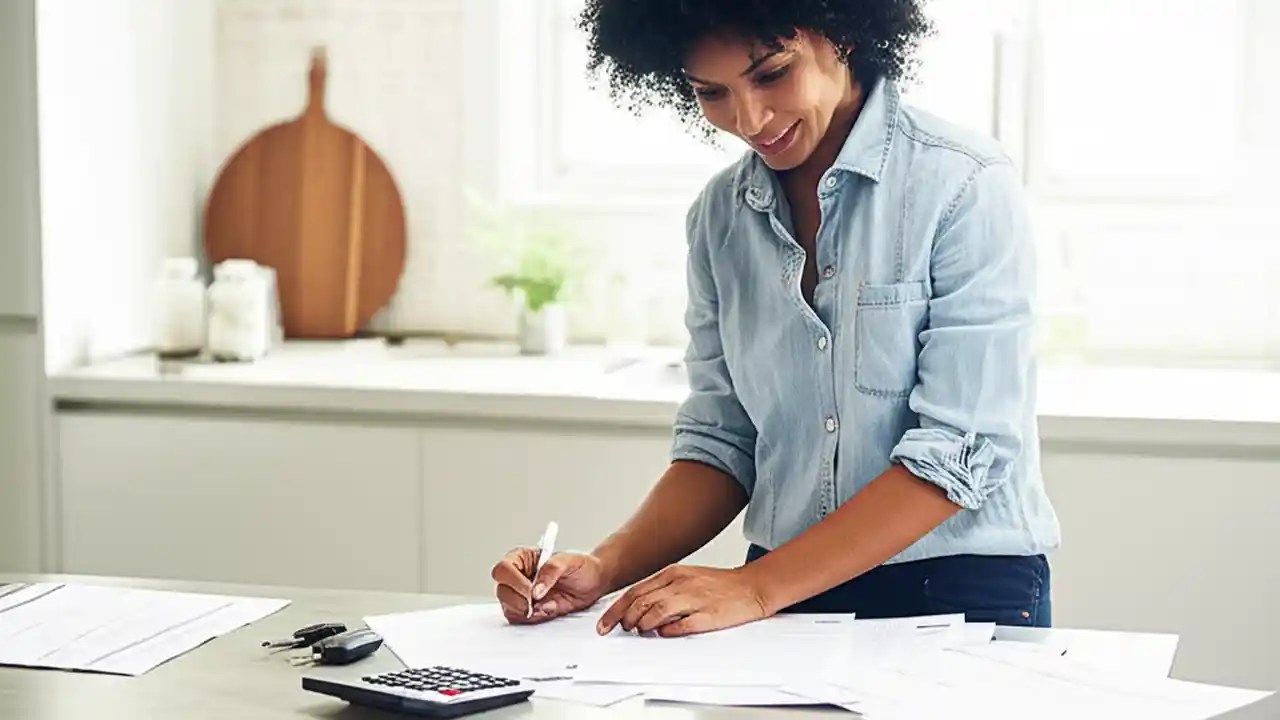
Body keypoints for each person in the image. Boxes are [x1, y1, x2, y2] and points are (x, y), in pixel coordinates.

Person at [491, 0, 1061, 638]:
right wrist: (603, 566)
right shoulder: (719, 218)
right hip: (781, 594)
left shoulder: (962, 185)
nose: (748, 119)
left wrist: (759, 588)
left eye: (771, 74)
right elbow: (723, 441)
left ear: (842, 30)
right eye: (711, 92)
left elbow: (960, 450)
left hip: (958, 589)